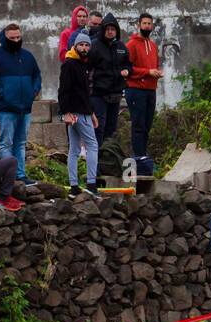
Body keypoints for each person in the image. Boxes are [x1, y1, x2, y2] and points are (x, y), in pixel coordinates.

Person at [0, 23, 43, 186]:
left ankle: (20, 176)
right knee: (6, 143)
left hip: (25, 108)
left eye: (18, 37)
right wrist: (2, 93)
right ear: (5, 38)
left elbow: (37, 75)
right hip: (6, 108)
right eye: (12, 38)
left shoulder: (27, 56)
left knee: (21, 143)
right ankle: (7, 176)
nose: (16, 40)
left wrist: (34, 91)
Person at [58, 32, 99, 196]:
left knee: (74, 149)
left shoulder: (82, 64)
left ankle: (74, 187)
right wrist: (65, 112)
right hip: (78, 113)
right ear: (75, 45)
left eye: (87, 45)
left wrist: (92, 113)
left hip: (82, 112)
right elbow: (63, 90)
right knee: (92, 146)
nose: (84, 48)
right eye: (81, 45)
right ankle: (91, 184)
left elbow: (84, 93)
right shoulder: (70, 64)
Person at [124, 12, 163, 175]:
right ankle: (139, 158)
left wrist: (157, 72)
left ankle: (143, 157)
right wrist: (148, 72)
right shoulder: (131, 44)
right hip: (135, 89)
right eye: (144, 23)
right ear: (138, 25)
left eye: (149, 23)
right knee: (138, 124)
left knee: (147, 125)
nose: (147, 26)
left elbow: (155, 65)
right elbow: (128, 68)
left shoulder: (153, 45)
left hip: (150, 90)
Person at [88, 14, 129, 149]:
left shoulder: (121, 47)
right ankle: (95, 159)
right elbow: (87, 68)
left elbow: (128, 64)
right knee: (98, 127)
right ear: (103, 30)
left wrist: (127, 71)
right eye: (107, 29)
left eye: (113, 29)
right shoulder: (95, 46)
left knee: (111, 129)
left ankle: (107, 158)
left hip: (116, 94)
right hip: (98, 93)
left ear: (116, 30)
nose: (110, 31)